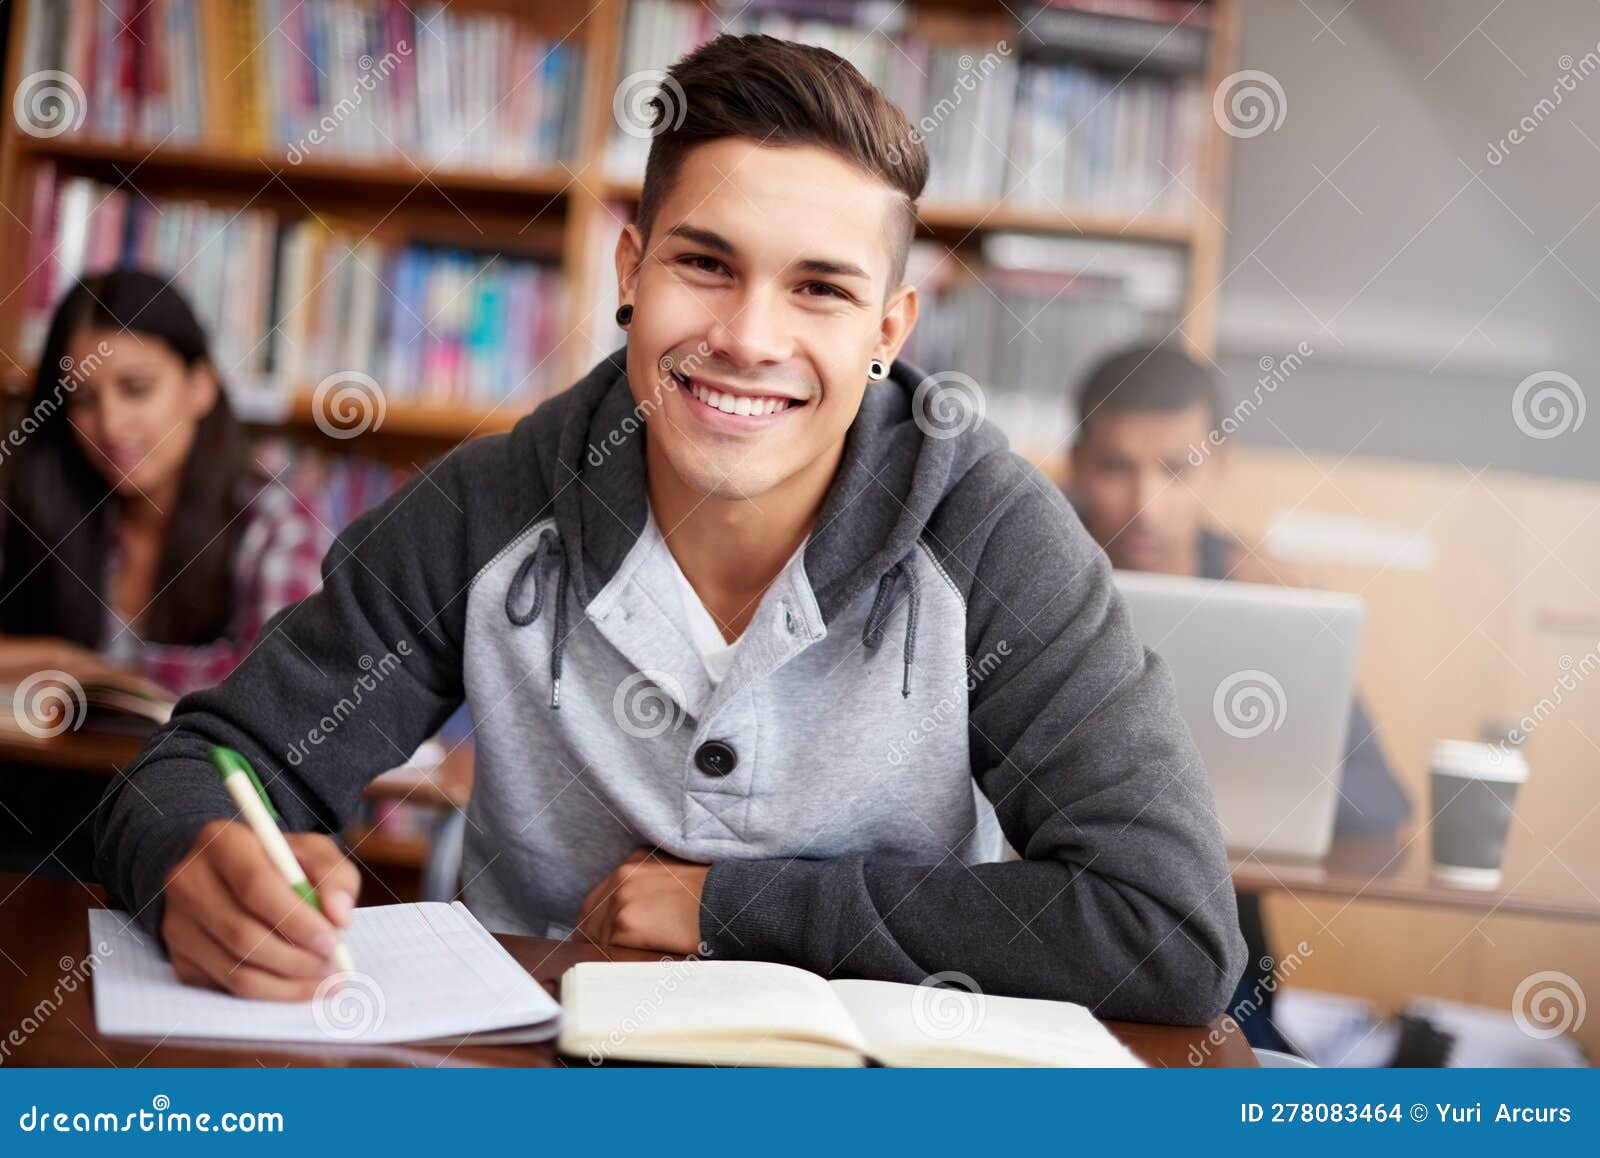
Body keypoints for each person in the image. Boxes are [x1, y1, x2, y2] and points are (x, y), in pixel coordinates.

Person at [95, 35, 1246, 1023]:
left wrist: (727, 907)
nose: (749, 336)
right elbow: (207, 764)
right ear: (632, 269)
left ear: (889, 327)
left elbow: (1168, 929)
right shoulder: (490, 504)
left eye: (820, 289)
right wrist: (191, 858)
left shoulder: (994, 538)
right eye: (706, 264)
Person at [1067, 341, 1413, 1049]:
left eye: (1176, 469)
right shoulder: (1029, 579)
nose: (1146, 505)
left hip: (1216, 958)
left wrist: (1300, 668)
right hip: (1048, 935)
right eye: (1116, 467)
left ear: (1218, 466)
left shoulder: (1269, 599)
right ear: (1076, 465)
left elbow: (1381, 800)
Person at [0, 270, 328, 877]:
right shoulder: (41, 502)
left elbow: (276, 682)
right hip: (36, 829)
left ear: (201, 386)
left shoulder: (273, 518)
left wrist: (97, 670)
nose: (113, 425)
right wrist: (64, 661)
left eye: (137, 388)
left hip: (204, 833)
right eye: (83, 399)